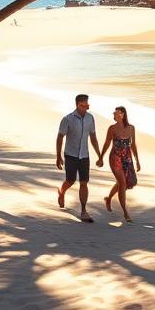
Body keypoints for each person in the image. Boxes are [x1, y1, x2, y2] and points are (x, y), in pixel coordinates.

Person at [56, 93, 102, 223]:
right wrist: (58, 156)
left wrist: (99, 155)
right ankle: (61, 191)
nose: (87, 107)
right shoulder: (68, 119)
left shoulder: (90, 118)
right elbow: (60, 137)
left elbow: (93, 137)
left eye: (88, 104)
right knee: (70, 180)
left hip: (84, 155)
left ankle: (83, 211)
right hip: (70, 154)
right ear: (78, 105)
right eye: (84, 105)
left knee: (84, 182)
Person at [97, 105, 141, 222]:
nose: (114, 114)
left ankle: (108, 198)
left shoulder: (131, 128)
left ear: (122, 114)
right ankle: (125, 212)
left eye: (116, 113)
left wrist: (137, 161)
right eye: (114, 113)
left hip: (127, 158)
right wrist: (101, 158)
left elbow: (133, 145)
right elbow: (106, 144)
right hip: (115, 158)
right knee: (122, 183)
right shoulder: (112, 128)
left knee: (123, 182)